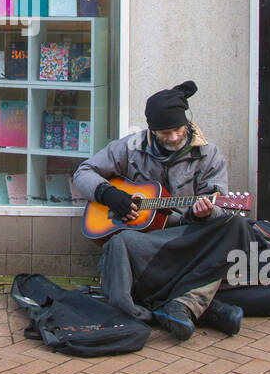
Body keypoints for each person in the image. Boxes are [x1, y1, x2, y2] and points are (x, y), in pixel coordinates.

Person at [72, 80, 248, 341]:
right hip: (147, 240)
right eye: (164, 133)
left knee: (237, 226)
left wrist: (206, 212)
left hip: (188, 235)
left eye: (177, 129)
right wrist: (109, 194)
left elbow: (219, 205)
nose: (174, 137)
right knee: (119, 243)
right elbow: (83, 172)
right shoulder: (131, 147)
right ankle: (200, 306)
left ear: (186, 123)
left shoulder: (209, 154)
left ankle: (185, 304)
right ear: (151, 130)